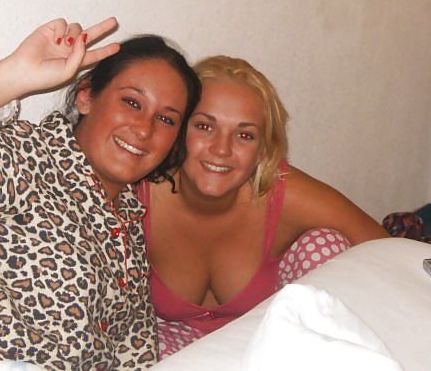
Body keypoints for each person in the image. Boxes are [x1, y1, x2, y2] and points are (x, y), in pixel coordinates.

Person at [0, 17, 201, 370]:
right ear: (86, 97)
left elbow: (134, 347)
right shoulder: (30, 159)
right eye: (132, 102)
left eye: (166, 119)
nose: (144, 129)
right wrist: (11, 77)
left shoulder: (127, 224)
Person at [136, 56, 390, 358]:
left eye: (244, 135)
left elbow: (386, 251)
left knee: (327, 245)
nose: (221, 149)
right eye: (204, 126)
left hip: (275, 345)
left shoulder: (284, 193)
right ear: (178, 131)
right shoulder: (136, 197)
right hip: (171, 350)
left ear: (262, 152)